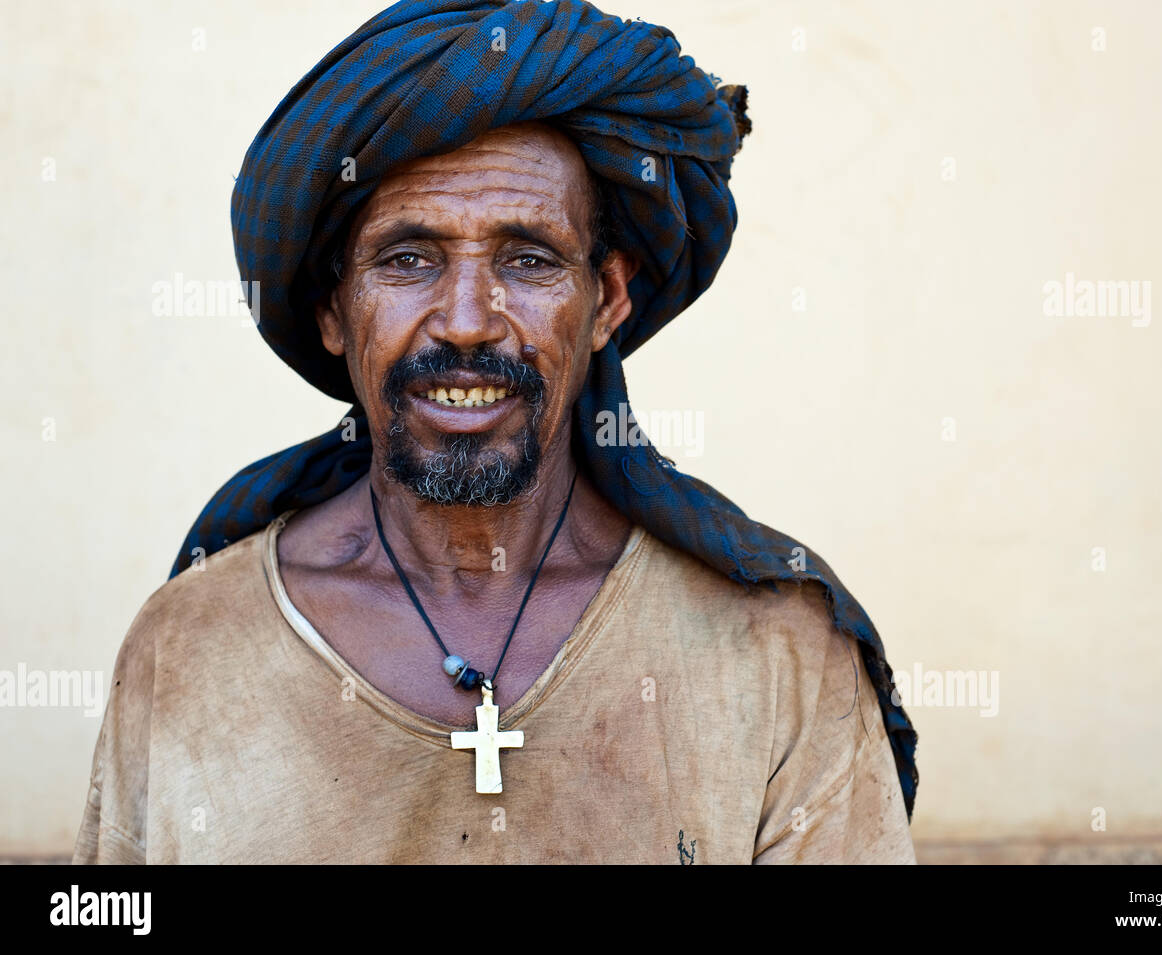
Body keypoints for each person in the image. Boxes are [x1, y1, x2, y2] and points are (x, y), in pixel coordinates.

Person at [72, 0, 918, 864]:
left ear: (607, 303)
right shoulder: (189, 646)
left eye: (528, 259)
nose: (471, 321)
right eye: (408, 259)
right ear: (333, 307)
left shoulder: (778, 654)